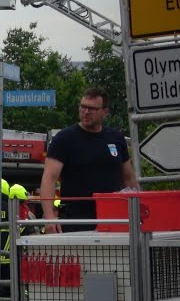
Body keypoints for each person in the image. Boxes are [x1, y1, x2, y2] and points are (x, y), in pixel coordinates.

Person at [41, 87, 139, 233]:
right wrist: (49, 217)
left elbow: (129, 179)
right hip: (76, 222)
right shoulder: (64, 139)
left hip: (114, 220)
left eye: (92, 108)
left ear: (105, 112)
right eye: (83, 107)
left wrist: (139, 210)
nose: (86, 112)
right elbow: (49, 178)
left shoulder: (116, 138)